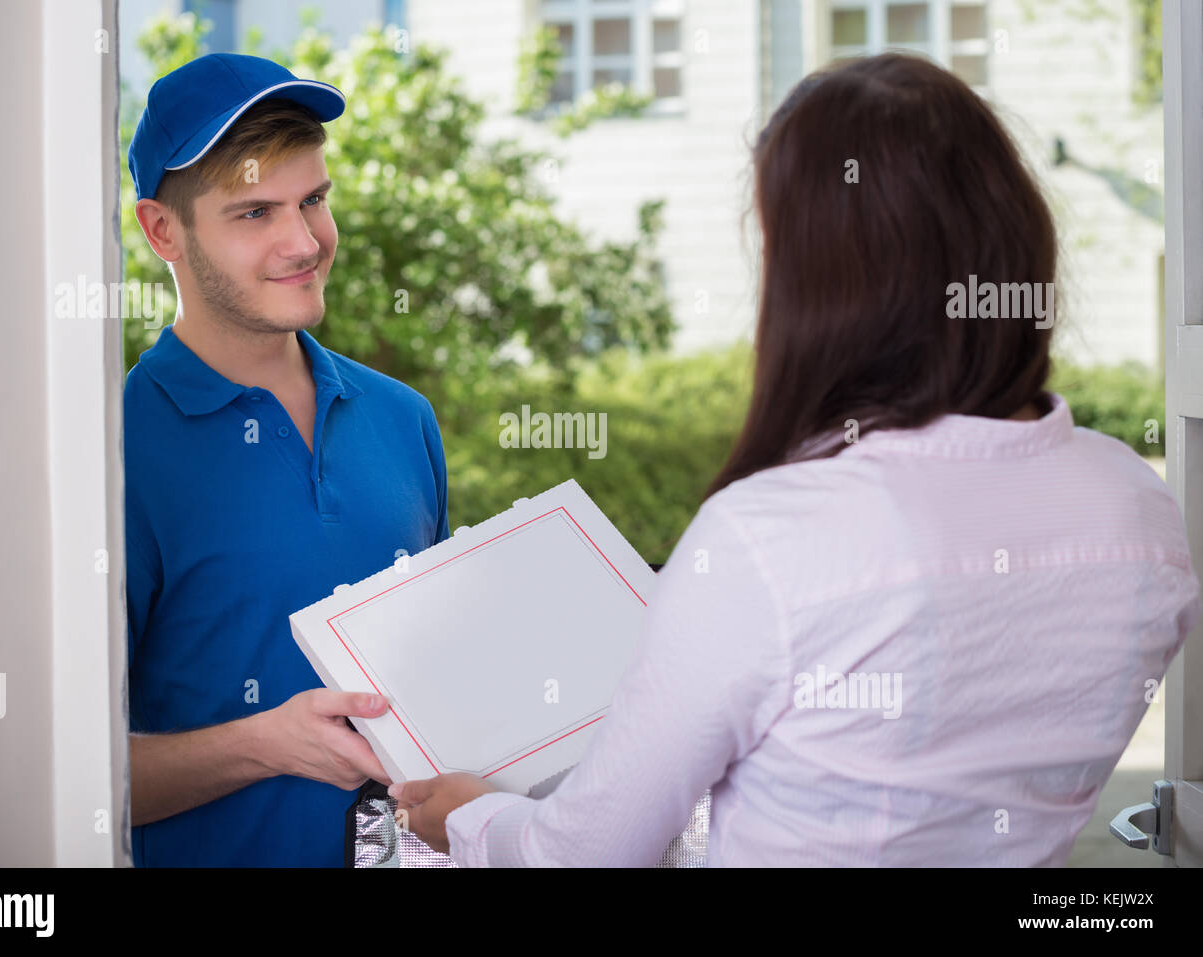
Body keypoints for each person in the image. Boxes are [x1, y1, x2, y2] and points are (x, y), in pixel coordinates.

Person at [389, 53, 1201, 866]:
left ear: (819, 284)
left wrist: (470, 817)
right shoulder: (1137, 504)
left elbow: (583, 854)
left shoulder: (773, 537)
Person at [124, 53, 442, 866]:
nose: (304, 242)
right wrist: (266, 744)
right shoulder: (115, 449)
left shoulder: (404, 419)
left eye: (314, 200)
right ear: (163, 230)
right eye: (256, 212)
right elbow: (58, 775)